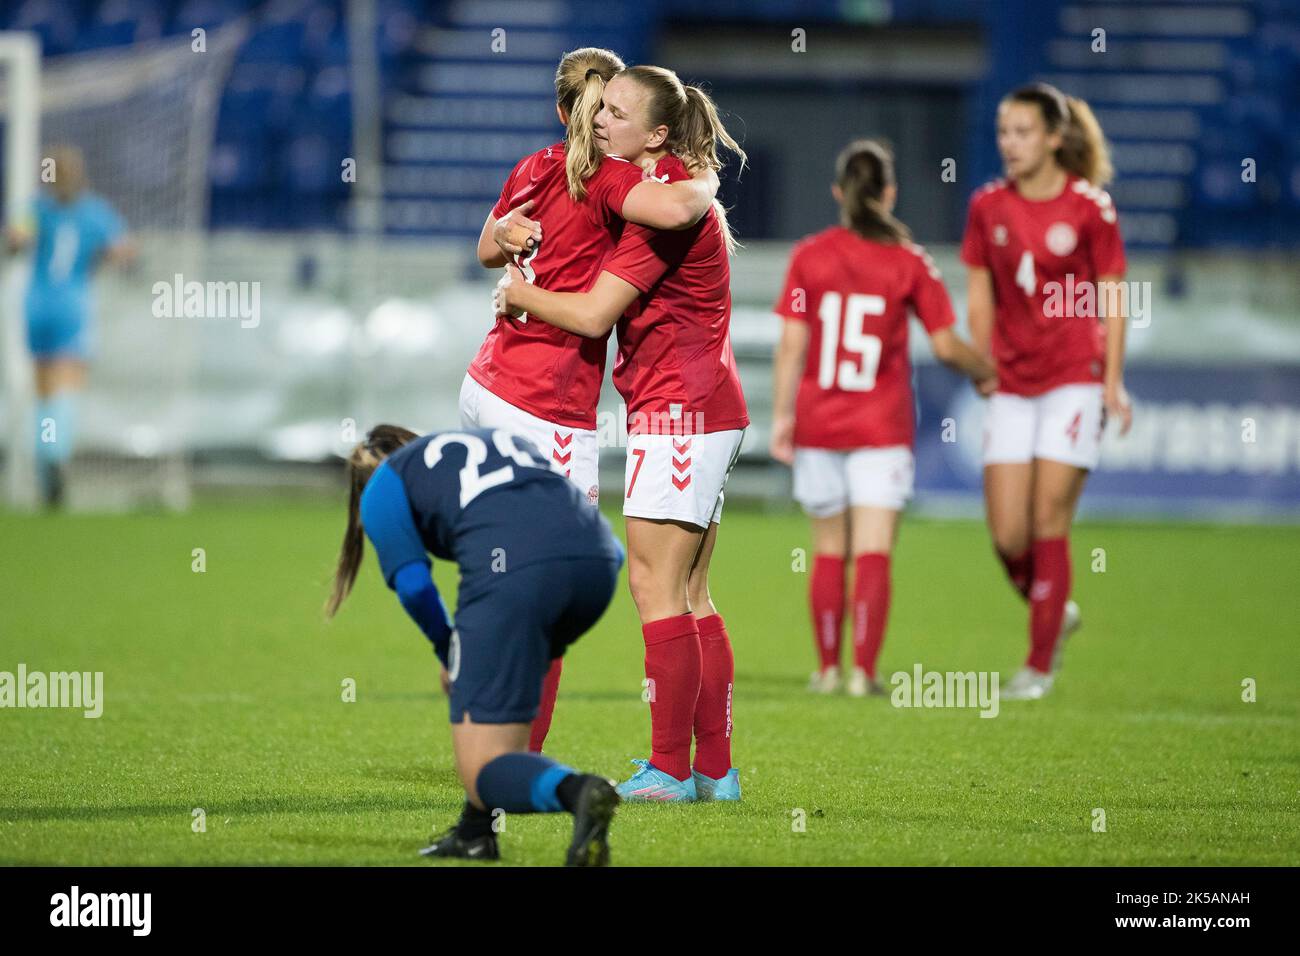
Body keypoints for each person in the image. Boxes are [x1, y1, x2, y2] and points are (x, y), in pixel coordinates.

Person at [495, 65, 747, 803]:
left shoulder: (663, 205)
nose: (599, 120)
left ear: (657, 133)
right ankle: (715, 770)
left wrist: (521, 295)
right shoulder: (671, 184)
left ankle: (670, 769)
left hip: (680, 410)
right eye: (599, 107)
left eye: (617, 112)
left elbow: (596, 314)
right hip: (702, 409)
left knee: (654, 584)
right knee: (693, 592)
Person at [325, 424, 625, 864]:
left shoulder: (384, 484)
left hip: (517, 578)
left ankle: (580, 791)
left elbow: (413, 585)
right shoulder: (491, 443)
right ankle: (474, 833)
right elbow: (584, 526)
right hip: (599, 565)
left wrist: (449, 650)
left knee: (481, 769)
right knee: (499, 721)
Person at [769, 139, 997, 696]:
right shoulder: (910, 261)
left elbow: (791, 347)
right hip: (880, 426)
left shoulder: (809, 255)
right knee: (872, 549)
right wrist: (987, 372)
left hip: (819, 421)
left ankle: (826, 670)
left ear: (838, 194)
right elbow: (946, 346)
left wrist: (781, 417)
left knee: (827, 549)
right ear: (890, 193)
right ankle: (863, 673)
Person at [960, 82, 1132, 700]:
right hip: (1011, 380)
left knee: (1047, 520)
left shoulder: (1090, 208)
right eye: (1004, 132)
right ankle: (1055, 611)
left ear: (1054, 138)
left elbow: (1113, 298)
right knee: (1008, 535)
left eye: (1023, 132)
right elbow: (980, 293)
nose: (1010, 143)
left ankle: (1036, 665)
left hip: (1072, 380)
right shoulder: (987, 205)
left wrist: (1112, 381)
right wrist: (984, 362)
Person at [3, 146, 133, 507]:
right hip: (72, 307)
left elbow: (14, 240)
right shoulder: (95, 212)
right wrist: (105, 259)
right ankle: (55, 451)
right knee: (66, 385)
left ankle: (45, 450)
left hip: (36, 305)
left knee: (43, 387)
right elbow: (124, 251)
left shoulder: (34, 208)